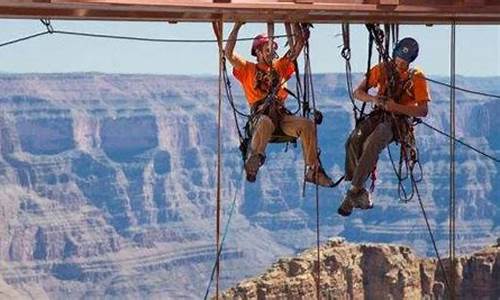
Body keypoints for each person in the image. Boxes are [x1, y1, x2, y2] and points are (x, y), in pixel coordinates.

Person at [224, 22, 333, 186]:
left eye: (273, 49)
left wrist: (299, 30)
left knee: (307, 125)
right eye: (267, 50)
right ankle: (254, 158)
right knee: (265, 122)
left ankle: (313, 169)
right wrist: (237, 26)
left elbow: (296, 49)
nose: (271, 53)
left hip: (281, 116)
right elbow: (229, 53)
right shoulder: (248, 69)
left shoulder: (280, 66)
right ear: (258, 52)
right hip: (260, 116)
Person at [338, 37, 431, 216]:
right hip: (379, 114)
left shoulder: (416, 76)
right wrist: (374, 99)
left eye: (405, 62)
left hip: (399, 122)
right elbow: (358, 92)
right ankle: (357, 189)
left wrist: (396, 107)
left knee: (374, 141)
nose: (400, 64)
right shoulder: (382, 69)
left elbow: (423, 111)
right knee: (353, 141)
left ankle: (354, 191)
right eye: (398, 60)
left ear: (411, 60)